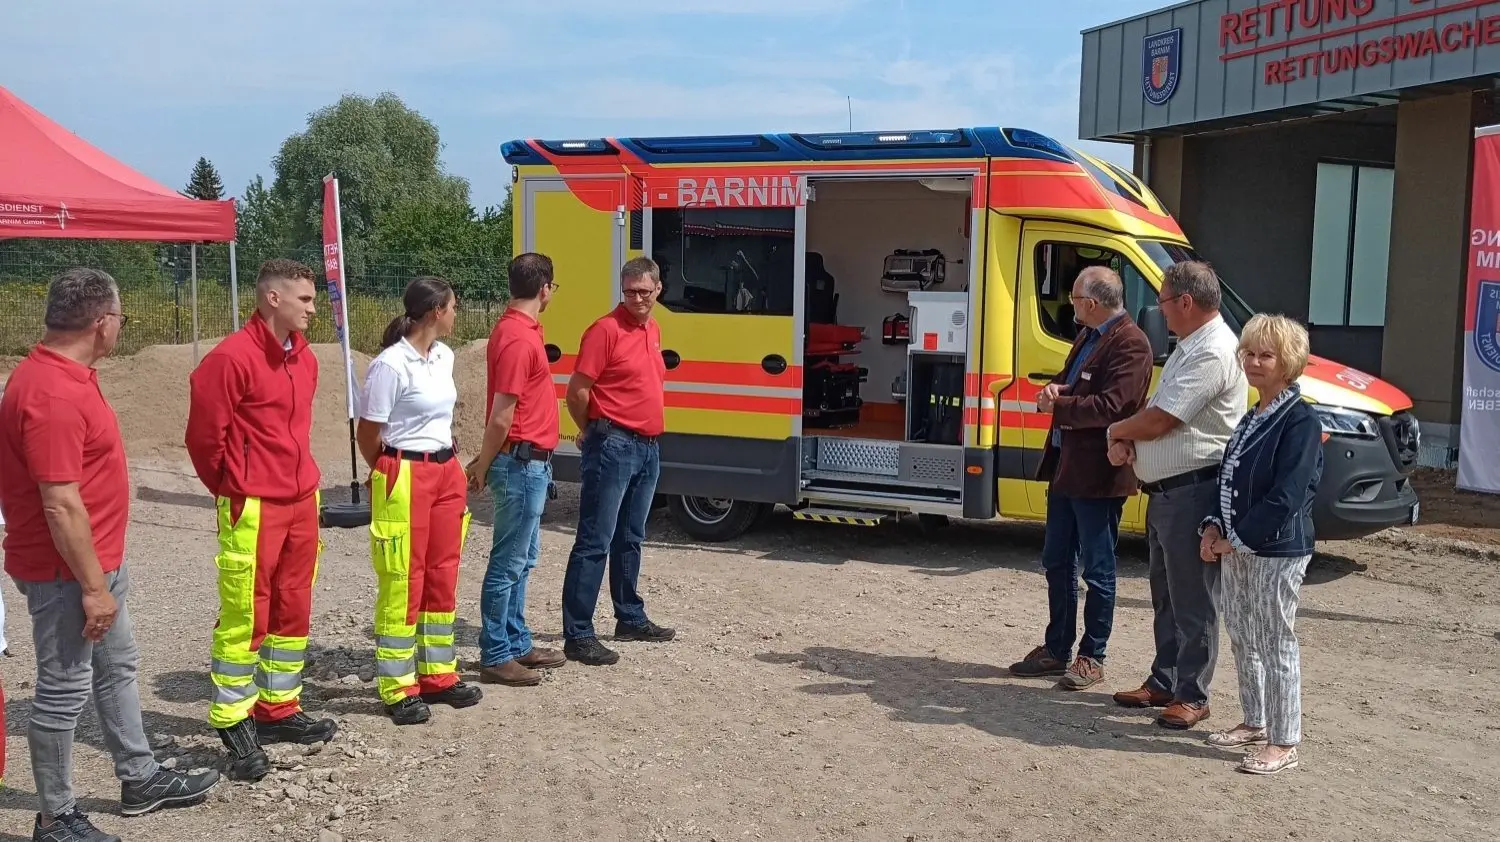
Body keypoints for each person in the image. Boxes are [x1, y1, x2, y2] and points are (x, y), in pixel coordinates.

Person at [1, 269, 219, 842]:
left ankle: (139, 776)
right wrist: (94, 588)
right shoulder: (51, 392)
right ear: (101, 323)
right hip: (68, 572)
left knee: (116, 666)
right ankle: (55, 818)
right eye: (121, 318)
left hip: (92, 566)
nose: (121, 327)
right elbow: (59, 504)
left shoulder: (67, 375)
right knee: (63, 690)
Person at [185, 258, 338, 782]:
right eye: (305, 299)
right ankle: (233, 718)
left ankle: (278, 707)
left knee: (292, 605)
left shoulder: (306, 358)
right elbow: (204, 440)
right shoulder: (230, 359)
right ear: (273, 298)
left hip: (301, 502)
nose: (313, 308)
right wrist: (234, 487)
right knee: (246, 611)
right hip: (252, 504)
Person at [1105, 260, 1246, 730]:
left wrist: (1117, 431)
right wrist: (1130, 440)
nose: (1159, 310)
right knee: (1166, 595)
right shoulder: (1191, 345)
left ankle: (1192, 694)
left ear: (1186, 301)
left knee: (1193, 599)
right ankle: (1165, 680)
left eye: (1163, 301)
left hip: (1193, 492)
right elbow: (1156, 410)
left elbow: (1165, 418)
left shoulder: (1213, 351)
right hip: (1169, 491)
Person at [1008, 267, 1153, 690]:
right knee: (1057, 561)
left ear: (1091, 303)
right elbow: (1073, 384)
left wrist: (1059, 404)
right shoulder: (1090, 335)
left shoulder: (1130, 343)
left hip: (1098, 474)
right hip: (1067, 468)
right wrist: (1053, 389)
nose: (1071, 305)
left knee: (1098, 569)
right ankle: (1057, 648)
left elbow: (1113, 407)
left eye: (1074, 299)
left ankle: (1092, 656)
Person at [1199, 314, 1323, 775]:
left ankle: (1284, 741)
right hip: (1237, 548)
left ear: (1288, 362)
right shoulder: (1253, 417)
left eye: (1265, 355)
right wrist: (1213, 527)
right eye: (1248, 353)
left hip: (1277, 550)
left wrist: (1236, 540)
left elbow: (1287, 495)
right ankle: (1255, 721)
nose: (1252, 362)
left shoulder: (1301, 420)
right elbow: (1228, 480)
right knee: (1242, 633)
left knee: (1276, 641)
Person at [357, 276, 484, 725]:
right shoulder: (390, 365)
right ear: (435, 312)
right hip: (406, 471)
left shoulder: (444, 356)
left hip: (446, 469)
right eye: (453, 307)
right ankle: (398, 686)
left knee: (442, 572)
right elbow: (368, 433)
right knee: (403, 578)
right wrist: (389, 469)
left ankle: (438, 674)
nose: (456, 314)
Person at [560, 257, 676, 666]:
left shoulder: (652, 329)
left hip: (647, 447)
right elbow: (577, 392)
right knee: (595, 540)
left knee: (630, 537)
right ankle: (578, 634)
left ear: (658, 289)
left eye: (644, 291)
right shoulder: (605, 330)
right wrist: (592, 430)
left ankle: (629, 617)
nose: (637, 299)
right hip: (615, 445)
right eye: (630, 292)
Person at [465, 253, 568, 686]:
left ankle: (515, 641)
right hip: (521, 463)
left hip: (529, 463)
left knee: (522, 560)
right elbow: (501, 416)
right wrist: (484, 462)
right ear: (545, 289)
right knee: (508, 563)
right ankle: (496, 654)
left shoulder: (519, 331)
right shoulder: (519, 339)